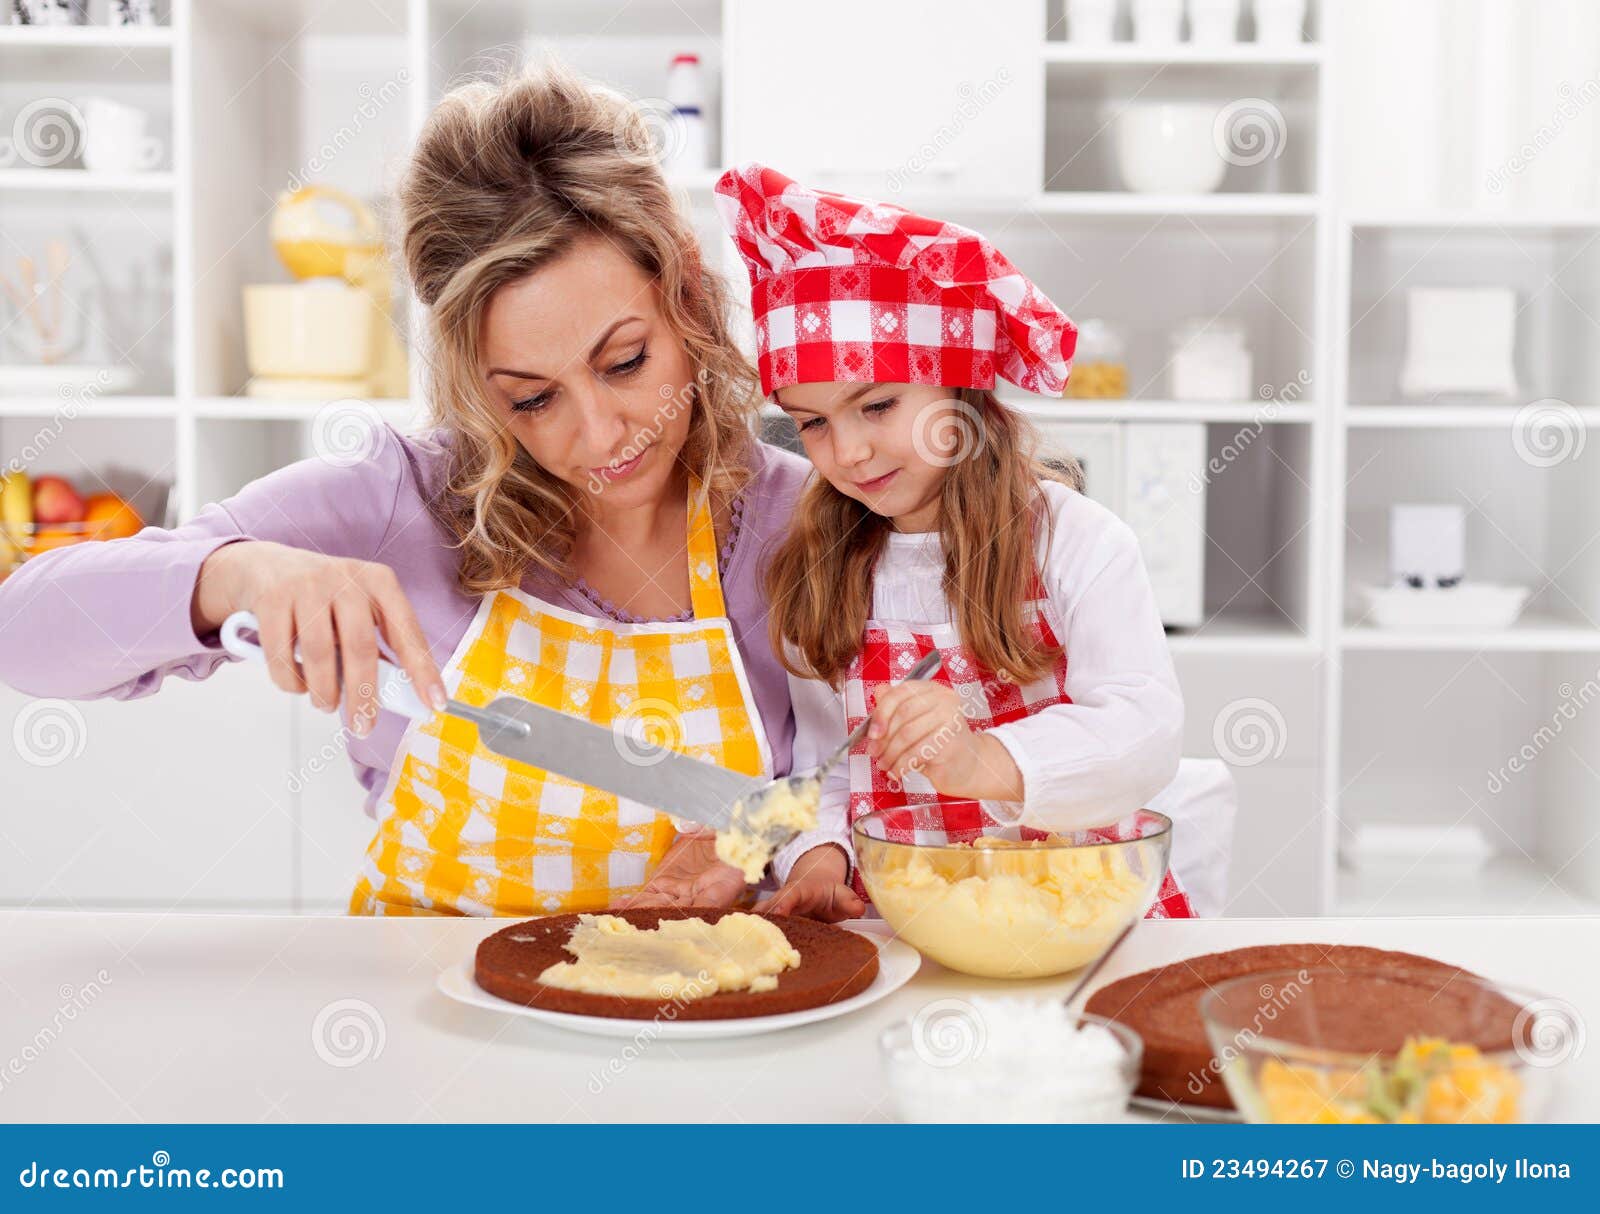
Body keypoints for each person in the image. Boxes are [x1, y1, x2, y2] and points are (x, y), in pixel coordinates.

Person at [0, 70, 832, 917]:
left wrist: (764, 842)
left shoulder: (807, 520)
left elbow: (867, 803)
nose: (601, 433)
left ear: (686, 288)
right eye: (531, 398)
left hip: (706, 1023)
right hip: (430, 1028)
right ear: (475, 378)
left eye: (624, 363)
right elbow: (19, 632)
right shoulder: (401, 500)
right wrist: (237, 574)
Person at [712, 164, 1195, 921]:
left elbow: (1144, 731)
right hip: (908, 922)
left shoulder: (1072, 541)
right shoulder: (821, 567)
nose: (850, 452)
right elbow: (824, 767)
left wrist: (982, 761)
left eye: (877, 405)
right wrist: (815, 859)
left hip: (1072, 913)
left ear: (961, 388)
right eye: (813, 422)